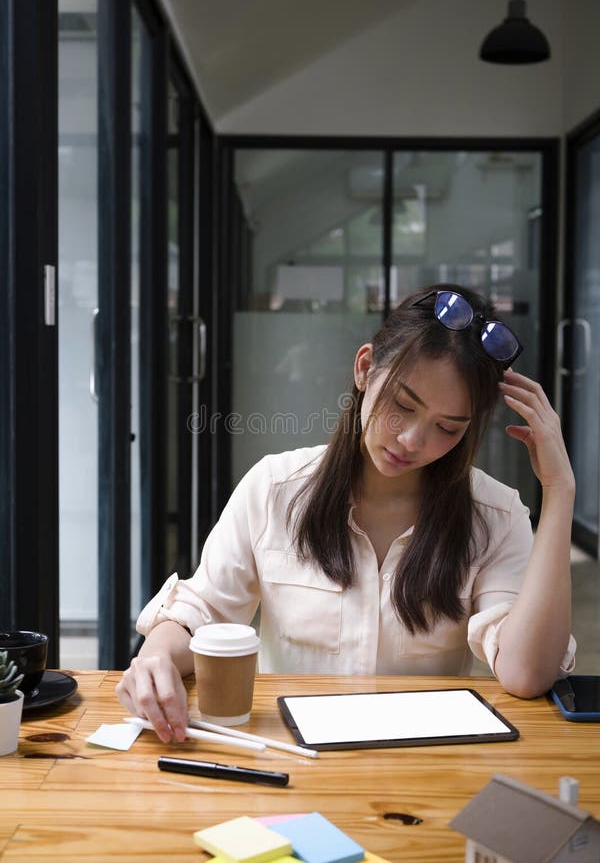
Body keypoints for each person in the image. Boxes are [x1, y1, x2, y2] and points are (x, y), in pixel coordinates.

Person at [116, 284, 576, 743]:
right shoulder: (274, 488)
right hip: (293, 765)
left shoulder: (493, 515)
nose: (413, 439)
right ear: (364, 369)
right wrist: (156, 653)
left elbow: (526, 672)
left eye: (447, 428)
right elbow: (204, 610)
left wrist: (558, 490)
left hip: (428, 774)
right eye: (402, 405)